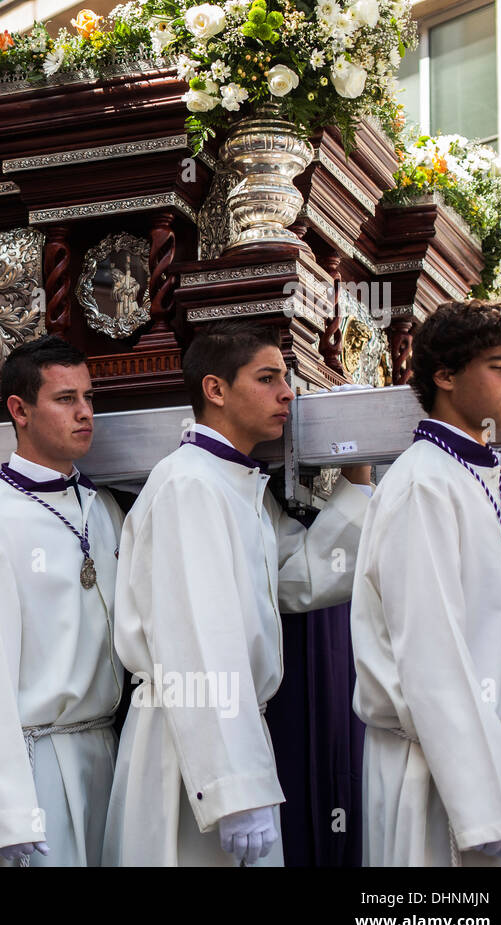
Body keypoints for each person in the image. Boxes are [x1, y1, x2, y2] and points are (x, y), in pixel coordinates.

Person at [106, 321, 372, 867]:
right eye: (268, 378)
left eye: (286, 379)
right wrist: (233, 787)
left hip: (228, 733)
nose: (287, 393)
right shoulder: (190, 485)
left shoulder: (233, 483)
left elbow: (297, 579)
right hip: (191, 744)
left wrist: (358, 483)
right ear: (216, 390)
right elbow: (199, 641)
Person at [352, 299, 501, 866]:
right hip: (437, 768)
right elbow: (431, 653)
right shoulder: (423, 484)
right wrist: (483, 799)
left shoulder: (484, 474)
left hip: (483, 753)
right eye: (499, 366)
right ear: (446, 376)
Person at [0, 336, 125, 866]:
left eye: (89, 398)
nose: (85, 412)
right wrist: (0, 810)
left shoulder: (102, 506)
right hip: (34, 762)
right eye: (66, 399)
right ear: (19, 410)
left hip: (102, 751)